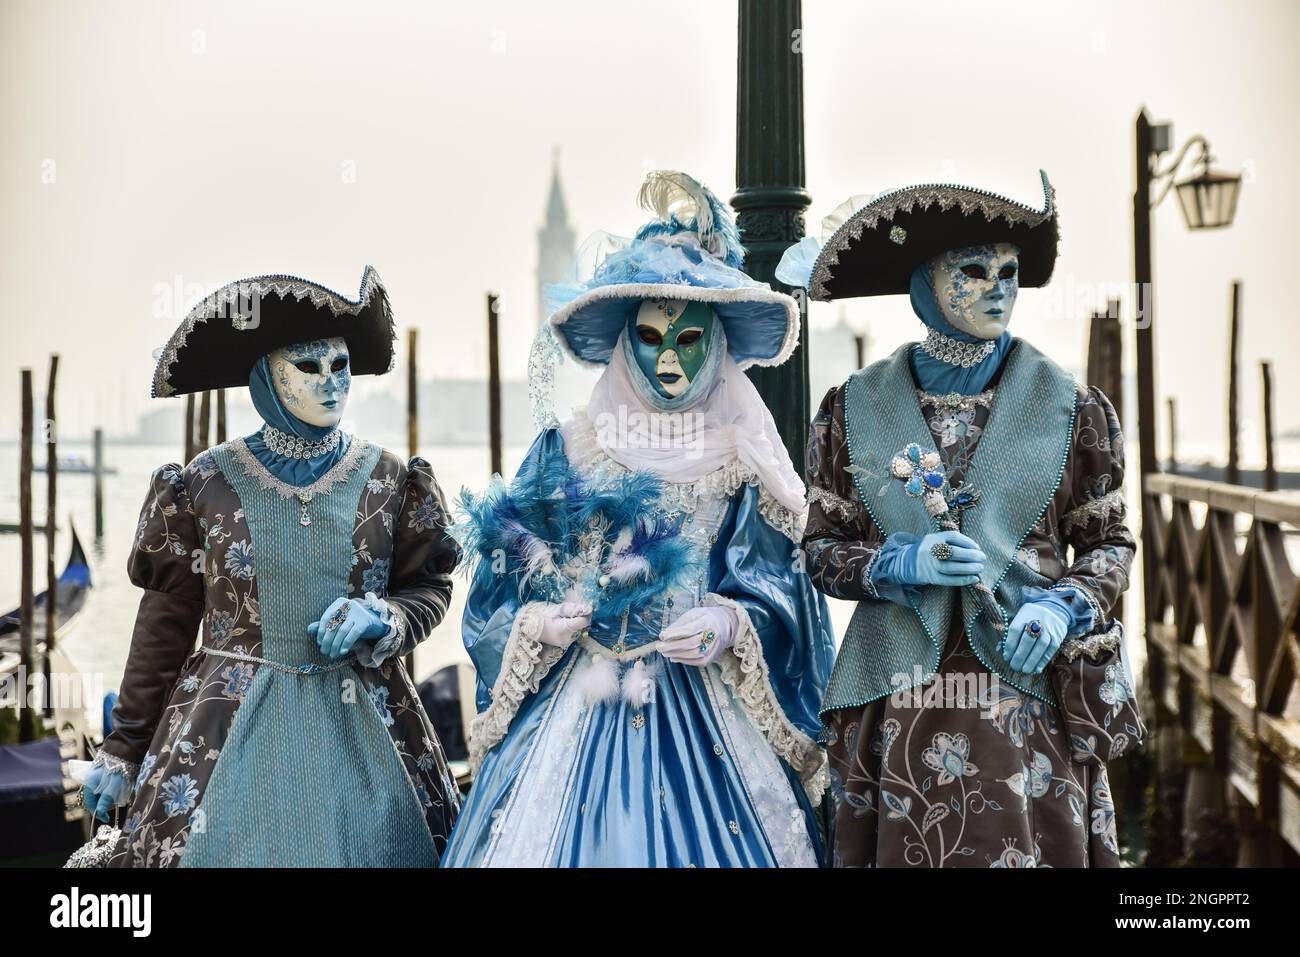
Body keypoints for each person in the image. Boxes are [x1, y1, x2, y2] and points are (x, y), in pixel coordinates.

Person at [442, 172, 835, 867]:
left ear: (717, 344)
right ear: (625, 342)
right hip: (580, 691)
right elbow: (503, 569)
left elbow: (791, 589)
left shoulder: (746, 459)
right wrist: (538, 621)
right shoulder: (570, 448)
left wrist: (732, 623)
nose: (668, 357)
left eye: (688, 338)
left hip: (708, 702)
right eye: (650, 337)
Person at [777, 172, 1144, 867]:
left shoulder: (1074, 406)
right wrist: (896, 562)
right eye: (973, 271)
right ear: (924, 281)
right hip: (899, 699)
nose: (1000, 287)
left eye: (1008, 271)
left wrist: (1066, 606)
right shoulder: (850, 408)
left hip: (1027, 691)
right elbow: (820, 548)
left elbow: (1109, 543)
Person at [80, 267, 461, 866]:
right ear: (265, 375)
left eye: (340, 367)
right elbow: (166, 625)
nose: (332, 383)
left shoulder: (392, 481)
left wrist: (384, 616)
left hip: (364, 733)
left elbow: (428, 587)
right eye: (309, 368)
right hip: (224, 736)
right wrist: (125, 749)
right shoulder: (203, 484)